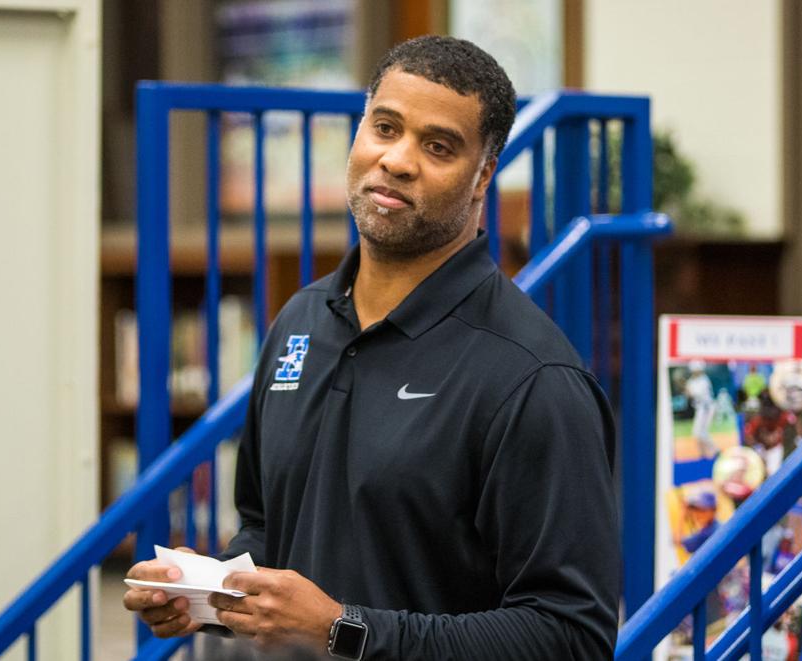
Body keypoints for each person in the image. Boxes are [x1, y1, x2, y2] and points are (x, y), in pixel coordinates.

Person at [123, 35, 620, 660]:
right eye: (384, 128)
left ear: (482, 176)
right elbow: (266, 526)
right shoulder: (300, 322)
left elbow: (573, 636)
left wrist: (343, 631)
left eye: (438, 146)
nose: (398, 160)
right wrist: (208, 590)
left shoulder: (533, 377)